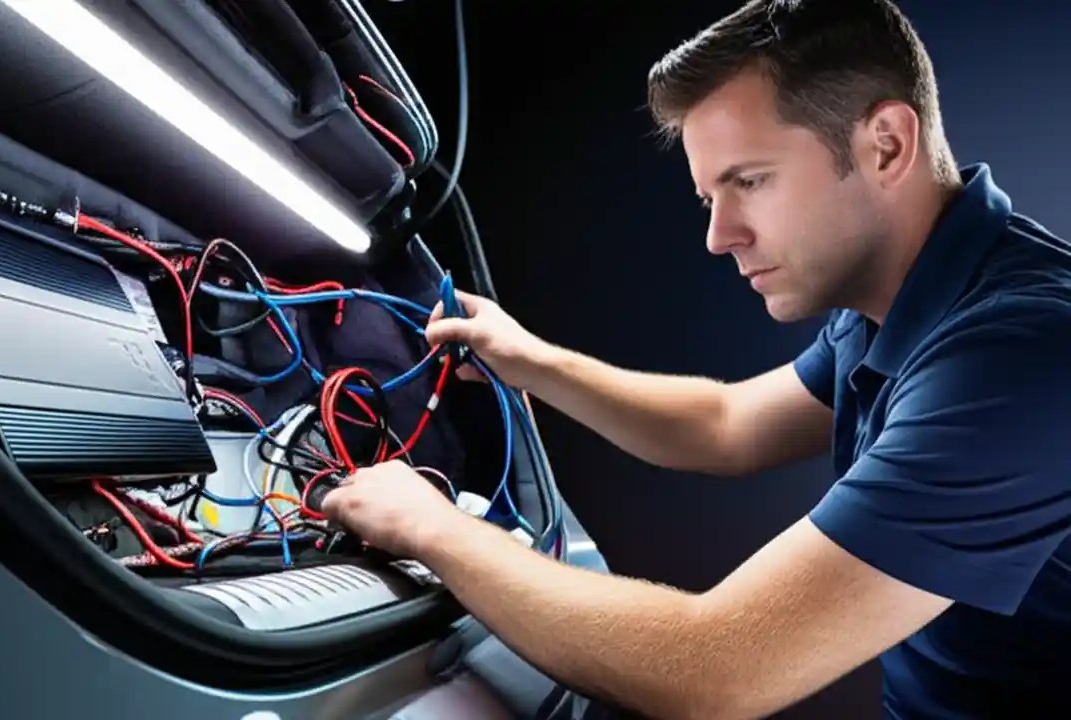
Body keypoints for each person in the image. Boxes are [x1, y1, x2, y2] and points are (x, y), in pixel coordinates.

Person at [320, 0, 1071, 717]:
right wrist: (530, 360)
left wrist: (432, 528)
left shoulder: (1014, 357)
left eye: (748, 181)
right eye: (711, 196)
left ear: (886, 144)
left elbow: (717, 672)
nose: (719, 237)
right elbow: (727, 423)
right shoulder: (898, 295)